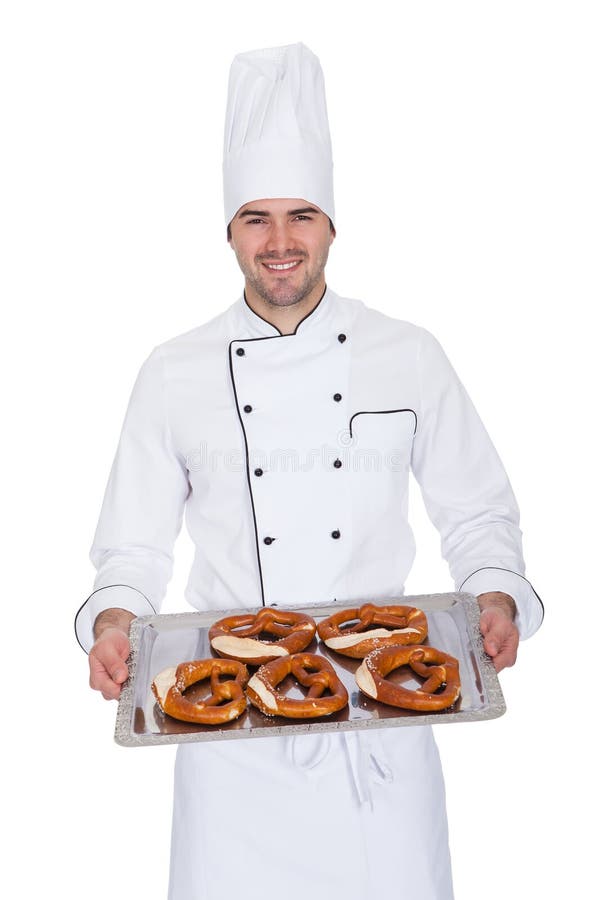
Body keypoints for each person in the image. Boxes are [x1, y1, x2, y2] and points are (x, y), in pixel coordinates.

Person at [75, 43, 543, 900]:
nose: (281, 243)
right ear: (228, 230)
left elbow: (477, 515)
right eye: (256, 218)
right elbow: (131, 554)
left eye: (302, 216)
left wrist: (497, 595)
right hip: (230, 762)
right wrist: (114, 625)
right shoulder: (173, 371)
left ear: (333, 224)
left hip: (385, 734)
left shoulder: (408, 353)